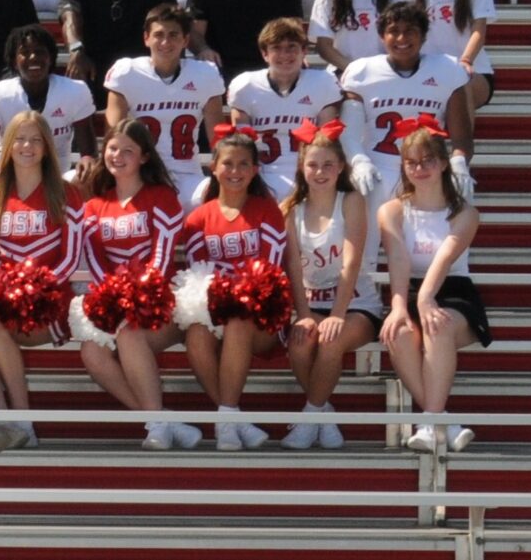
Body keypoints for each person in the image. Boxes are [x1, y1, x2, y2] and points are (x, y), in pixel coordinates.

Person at [0, 111, 88, 452]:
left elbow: (71, 257)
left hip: (51, 303)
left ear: (47, 148)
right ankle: (6, 420)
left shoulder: (67, 194)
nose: (27, 146)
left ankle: (19, 422)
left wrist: (37, 289)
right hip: (8, 303)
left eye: (35, 140)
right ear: (7, 147)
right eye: (20, 139)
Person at [178, 127, 299, 451]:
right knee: (195, 334)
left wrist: (237, 293)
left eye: (244, 164)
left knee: (238, 321)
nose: (235, 171)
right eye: (228, 164)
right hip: (217, 310)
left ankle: (227, 422)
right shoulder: (198, 219)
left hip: (261, 316)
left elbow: (269, 272)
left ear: (255, 170)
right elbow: (199, 275)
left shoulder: (267, 210)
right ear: (213, 167)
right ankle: (231, 418)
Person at [77, 120, 195, 450]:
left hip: (162, 302)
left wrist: (138, 294)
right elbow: (97, 262)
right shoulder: (95, 206)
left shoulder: (163, 197)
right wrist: (114, 299)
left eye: (128, 150)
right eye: (113, 148)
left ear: (144, 157)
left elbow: (162, 257)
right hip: (116, 303)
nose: (118, 155)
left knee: (129, 334)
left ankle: (158, 425)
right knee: (92, 352)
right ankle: (160, 421)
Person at [379, 124, 487, 454]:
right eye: (412, 162)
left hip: (453, 289)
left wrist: (427, 298)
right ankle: (440, 422)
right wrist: (399, 306)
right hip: (409, 289)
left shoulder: (465, 213)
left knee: (437, 325)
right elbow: (398, 260)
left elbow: (443, 261)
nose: (420, 169)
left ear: (443, 164)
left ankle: (431, 422)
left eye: (427, 160)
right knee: (397, 332)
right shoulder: (391, 210)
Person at [280, 119, 380, 450]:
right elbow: (293, 265)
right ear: (301, 167)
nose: (320, 172)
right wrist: (304, 313)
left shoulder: (350, 201)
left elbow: (352, 260)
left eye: (327, 165)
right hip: (311, 302)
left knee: (330, 340)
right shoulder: (290, 208)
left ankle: (309, 417)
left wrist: (338, 314)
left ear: (340, 167)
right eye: (312, 165)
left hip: (355, 303)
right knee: (300, 341)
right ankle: (322, 411)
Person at [338, 2, 475, 205]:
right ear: (382, 36)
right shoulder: (361, 72)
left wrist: (458, 162)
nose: (402, 38)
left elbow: (462, 138)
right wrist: (359, 161)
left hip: (427, 171)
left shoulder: (448, 70)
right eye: (393, 31)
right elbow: (349, 134)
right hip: (377, 170)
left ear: (423, 36)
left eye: (410, 31)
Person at [104, 4, 225, 193]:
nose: (166, 42)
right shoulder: (127, 73)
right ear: (146, 38)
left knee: (212, 198)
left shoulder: (205, 74)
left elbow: (218, 139)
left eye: (173, 35)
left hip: (188, 176)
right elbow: (114, 134)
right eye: (159, 35)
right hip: (140, 174)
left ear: (186, 40)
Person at [226, 18, 342, 198]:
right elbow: (241, 146)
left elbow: (327, 142)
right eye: (276, 48)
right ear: (264, 53)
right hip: (261, 175)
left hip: (309, 175)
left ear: (304, 51)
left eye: (291, 47)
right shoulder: (246, 86)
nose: (285, 54)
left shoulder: (322, 83)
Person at [0, 24, 97, 184]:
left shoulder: (75, 91)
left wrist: (88, 161)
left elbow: (89, 153)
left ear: (51, 57)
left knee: (86, 175)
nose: (33, 57)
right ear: (14, 61)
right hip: (13, 178)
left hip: (59, 178)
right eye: (25, 52)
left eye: (40, 51)